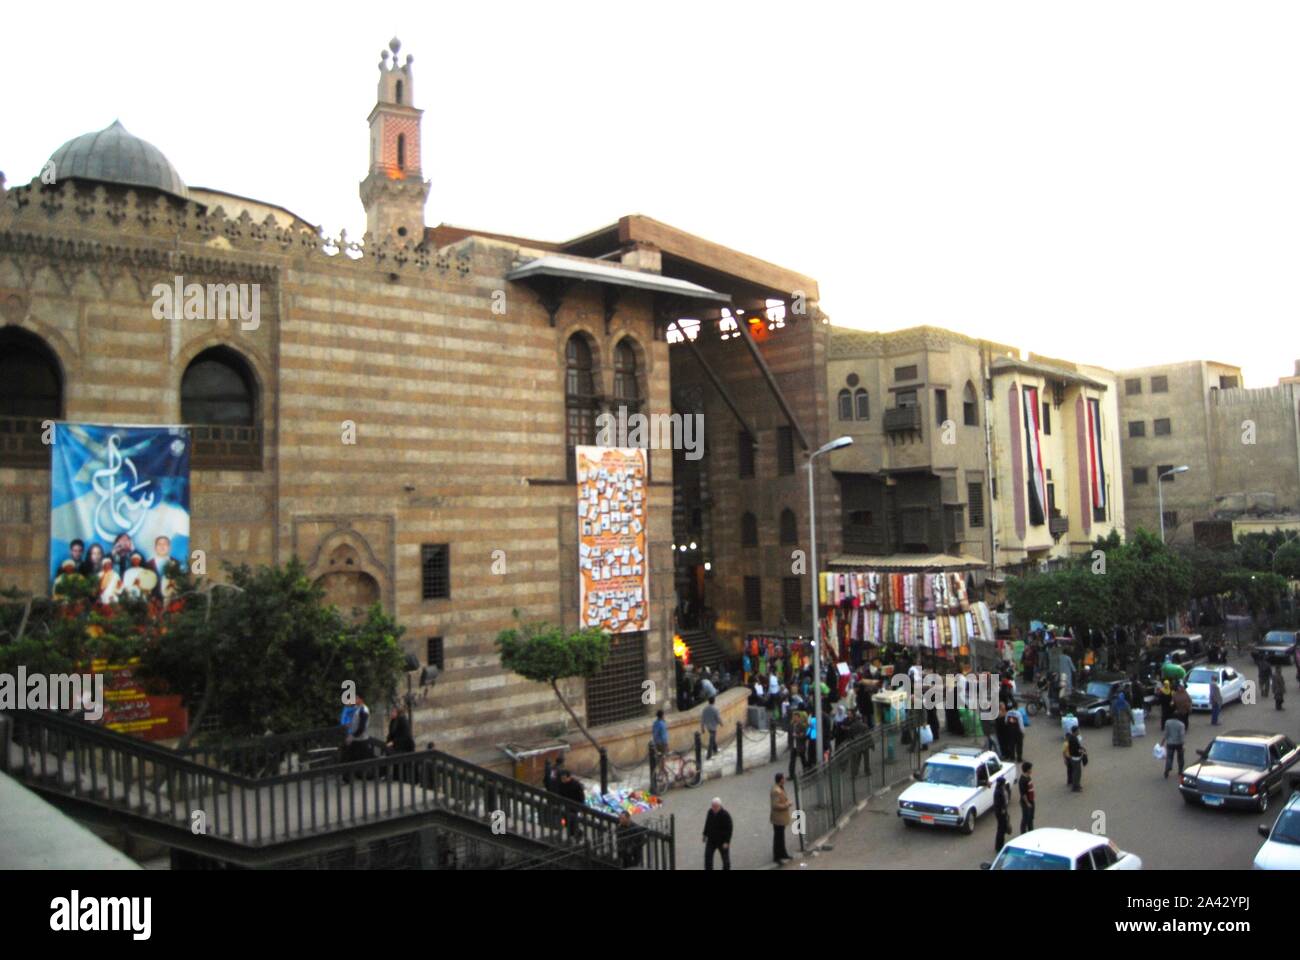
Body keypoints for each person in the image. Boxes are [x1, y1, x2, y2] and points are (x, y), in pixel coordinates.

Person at [702, 797, 733, 870]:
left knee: (725, 860)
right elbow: (707, 823)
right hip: (711, 840)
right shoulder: (710, 812)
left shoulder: (725, 815)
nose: (714, 808)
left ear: (720, 806)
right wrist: (705, 834)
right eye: (712, 806)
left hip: (722, 841)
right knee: (708, 857)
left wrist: (727, 842)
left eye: (716, 806)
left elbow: (729, 829)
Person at [555, 770, 586, 838]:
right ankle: (574, 833)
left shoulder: (576, 784)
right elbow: (560, 794)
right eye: (562, 778)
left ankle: (575, 833)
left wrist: (581, 806)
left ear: (569, 777)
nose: (563, 780)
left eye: (564, 778)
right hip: (566, 805)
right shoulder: (561, 785)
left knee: (572, 820)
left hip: (575, 805)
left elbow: (581, 796)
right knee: (566, 820)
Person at [770, 773, 793, 864]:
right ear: (780, 780)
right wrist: (787, 805)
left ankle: (783, 853)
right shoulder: (776, 791)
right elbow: (775, 805)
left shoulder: (780, 788)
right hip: (778, 818)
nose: (784, 780)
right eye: (783, 778)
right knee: (778, 838)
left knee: (781, 837)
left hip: (781, 818)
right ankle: (777, 856)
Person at [993, 774, 1012, 855]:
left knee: (1001, 829)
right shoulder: (999, 792)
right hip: (1001, 813)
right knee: (1001, 830)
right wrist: (1004, 811)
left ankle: (999, 845)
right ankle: (999, 847)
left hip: (1000, 813)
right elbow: (1000, 804)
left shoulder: (998, 790)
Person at [1065, 725, 1085, 792]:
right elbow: (1075, 750)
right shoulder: (1073, 739)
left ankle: (1077, 785)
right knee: (1077, 773)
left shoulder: (1072, 737)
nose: (1079, 731)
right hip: (1075, 758)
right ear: (1075, 731)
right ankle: (1075, 787)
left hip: (1074, 758)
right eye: (1078, 730)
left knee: (1076, 772)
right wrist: (1081, 751)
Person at [1018, 762, 1036, 834]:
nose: (1031, 770)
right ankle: (1023, 834)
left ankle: (1031, 832)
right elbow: (1023, 794)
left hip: (1031, 800)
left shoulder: (1028, 777)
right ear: (1028, 770)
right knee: (1025, 819)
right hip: (1026, 803)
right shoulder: (1022, 780)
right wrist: (1027, 803)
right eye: (1030, 769)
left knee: (1030, 818)